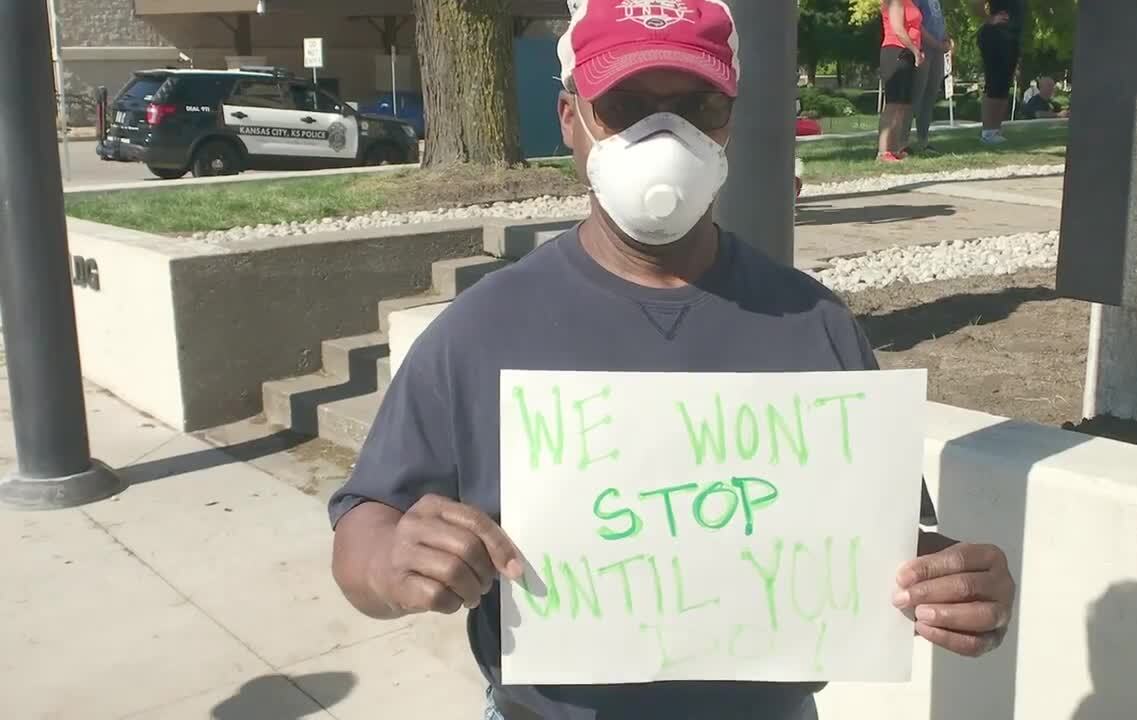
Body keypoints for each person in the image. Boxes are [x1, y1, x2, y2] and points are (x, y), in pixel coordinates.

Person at [328, 2, 1017, 719]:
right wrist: (389, 562)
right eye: (625, 106)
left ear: (730, 120)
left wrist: (962, 591)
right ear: (572, 119)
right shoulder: (482, 329)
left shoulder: (811, 323)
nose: (665, 134)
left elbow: (892, 542)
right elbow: (364, 528)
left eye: (697, 105)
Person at [971, 0, 1025, 144]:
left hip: (1011, 36)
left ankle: (995, 129)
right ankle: (987, 132)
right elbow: (976, 3)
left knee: (1004, 84)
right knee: (994, 83)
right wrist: (990, 19)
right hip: (996, 34)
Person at [879, 0, 926, 162]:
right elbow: (898, 29)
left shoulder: (910, 2)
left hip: (908, 53)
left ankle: (895, 148)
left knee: (903, 105)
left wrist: (917, 51)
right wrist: (914, 50)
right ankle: (883, 151)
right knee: (893, 104)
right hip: (895, 51)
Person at [906, 0, 951, 155]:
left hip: (938, 49)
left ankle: (923, 140)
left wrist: (945, 39)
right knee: (916, 95)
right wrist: (935, 44)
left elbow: (938, 19)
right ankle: (902, 141)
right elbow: (916, 22)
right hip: (924, 47)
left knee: (930, 95)